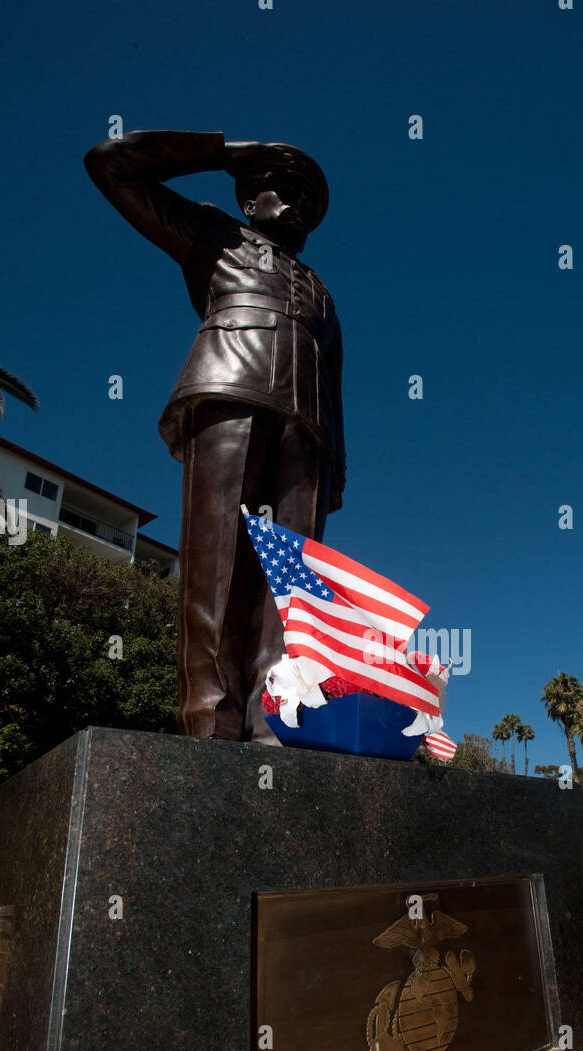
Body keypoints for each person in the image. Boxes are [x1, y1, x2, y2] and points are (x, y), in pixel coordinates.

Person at [84, 130, 346, 741]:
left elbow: (333, 379)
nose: (297, 204)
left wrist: (338, 471)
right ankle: (210, 718)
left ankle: (274, 719)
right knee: (217, 559)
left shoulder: (324, 294)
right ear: (250, 197)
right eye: (284, 188)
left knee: (291, 586)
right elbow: (110, 166)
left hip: (308, 431)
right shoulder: (213, 235)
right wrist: (221, 152)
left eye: (307, 197)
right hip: (231, 393)